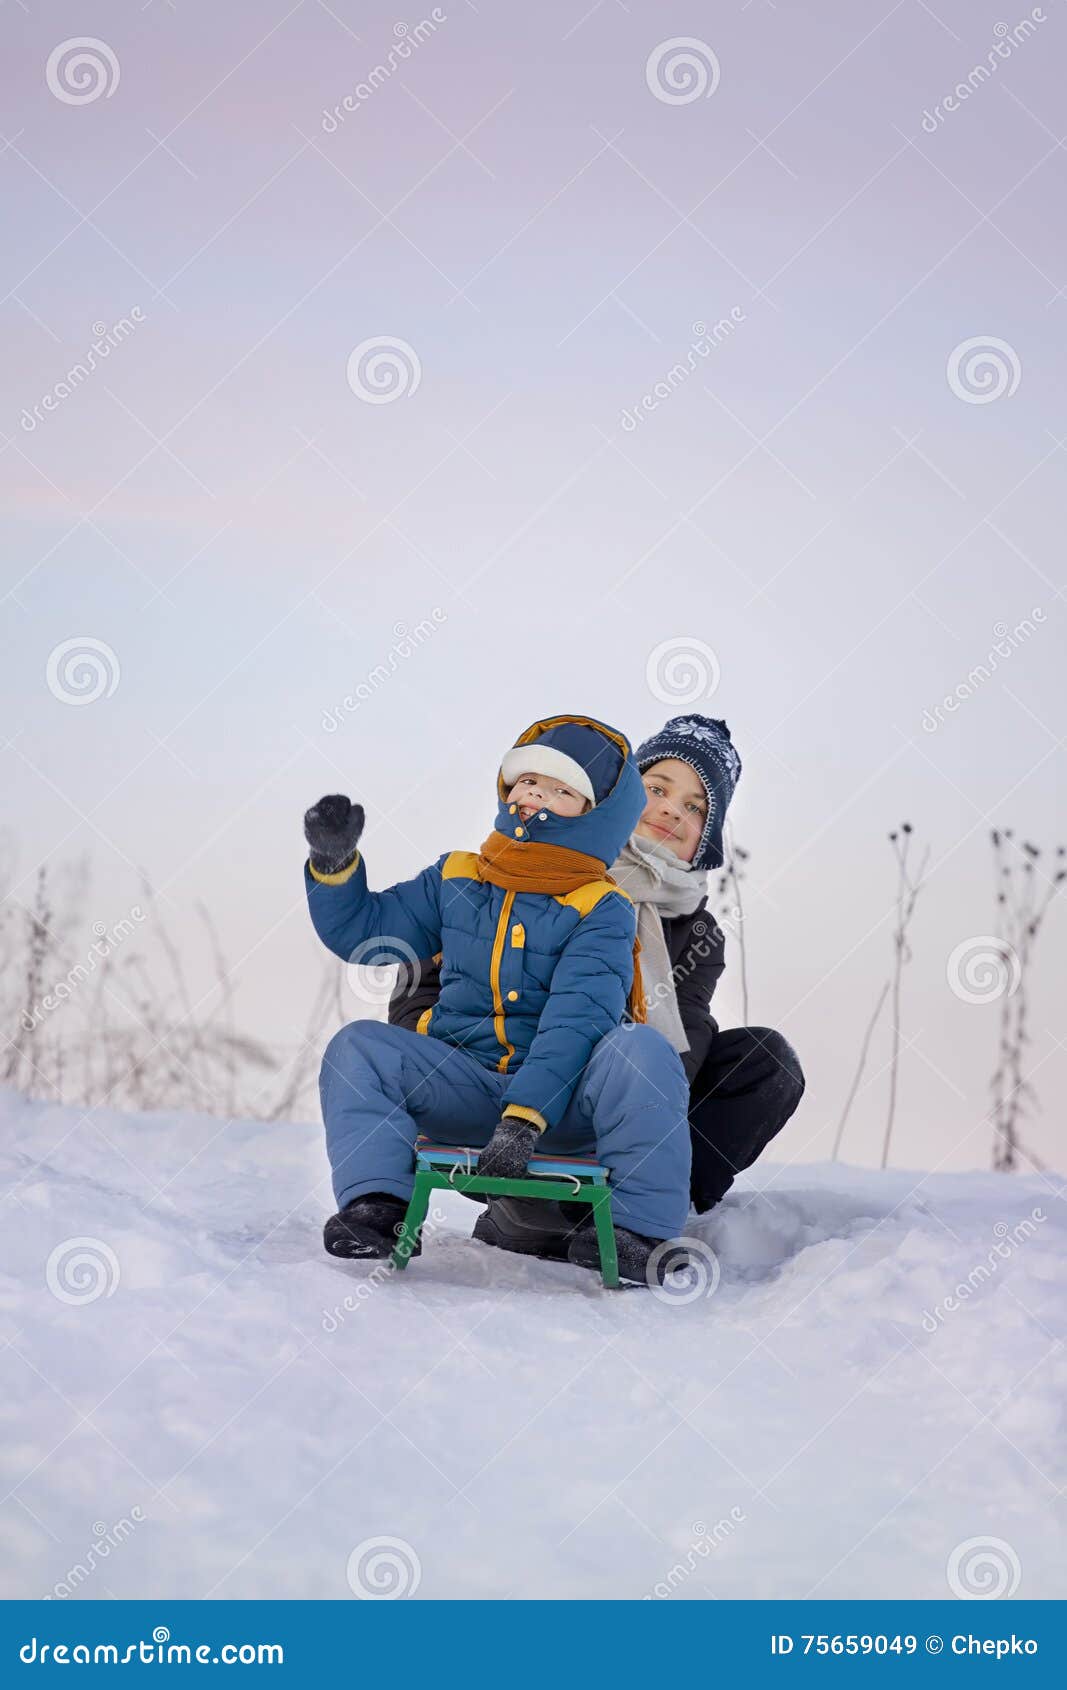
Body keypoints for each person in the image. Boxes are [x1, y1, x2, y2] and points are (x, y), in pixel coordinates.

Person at [389, 714, 806, 1260]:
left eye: (694, 807)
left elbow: (686, 1032)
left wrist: (633, 1097)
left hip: (615, 1087)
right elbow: (422, 982)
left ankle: (637, 1204)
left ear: (706, 838)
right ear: (620, 798)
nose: (671, 811)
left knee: (763, 1061)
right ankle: (526, 1204)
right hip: (505, 1078)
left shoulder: (695, 931)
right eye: (657, 789)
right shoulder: (528, 867)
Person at [304, 713, 693, 1286]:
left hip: (564, 1109)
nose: (537, 795)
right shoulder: (458, 876)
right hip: (463, 1087)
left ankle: (640, 1234)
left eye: (563, 790)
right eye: (530, 781)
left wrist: (525, 1118)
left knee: (642, 1052)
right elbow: (371, 933)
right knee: (357, 1047)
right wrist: (334, 869)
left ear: (597, 816)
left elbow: (577, 1021)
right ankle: (375, 1206)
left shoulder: (600, 905)